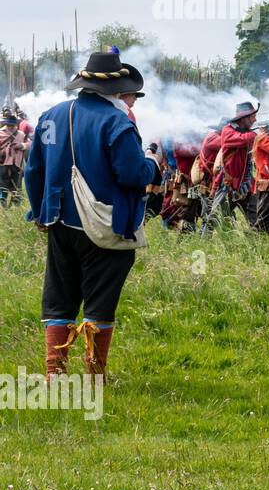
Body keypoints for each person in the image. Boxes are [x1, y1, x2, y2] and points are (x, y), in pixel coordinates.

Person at [24, 52, 163, 379]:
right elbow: (131, 173)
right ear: (116, 89)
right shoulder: (117, 122)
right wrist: (153, 166)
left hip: (58, 219)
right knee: (100, 303)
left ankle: (54, 375)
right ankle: (94, 376)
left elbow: (34, 172)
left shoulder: (50, 116)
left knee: (60, 300)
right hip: (107, 223)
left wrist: (39, 213)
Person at [0, 108, 30, 207]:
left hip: (17, 163)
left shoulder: (21, 134)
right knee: (2, 185)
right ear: (6, 124)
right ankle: (3, 205)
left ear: (16, 125)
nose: (11, 127)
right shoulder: (0, 133)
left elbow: (29, 144)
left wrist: (21, 146)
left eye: (12, 125)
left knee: (16, 185)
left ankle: (16, 206)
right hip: (3, 163)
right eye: (9, 125)